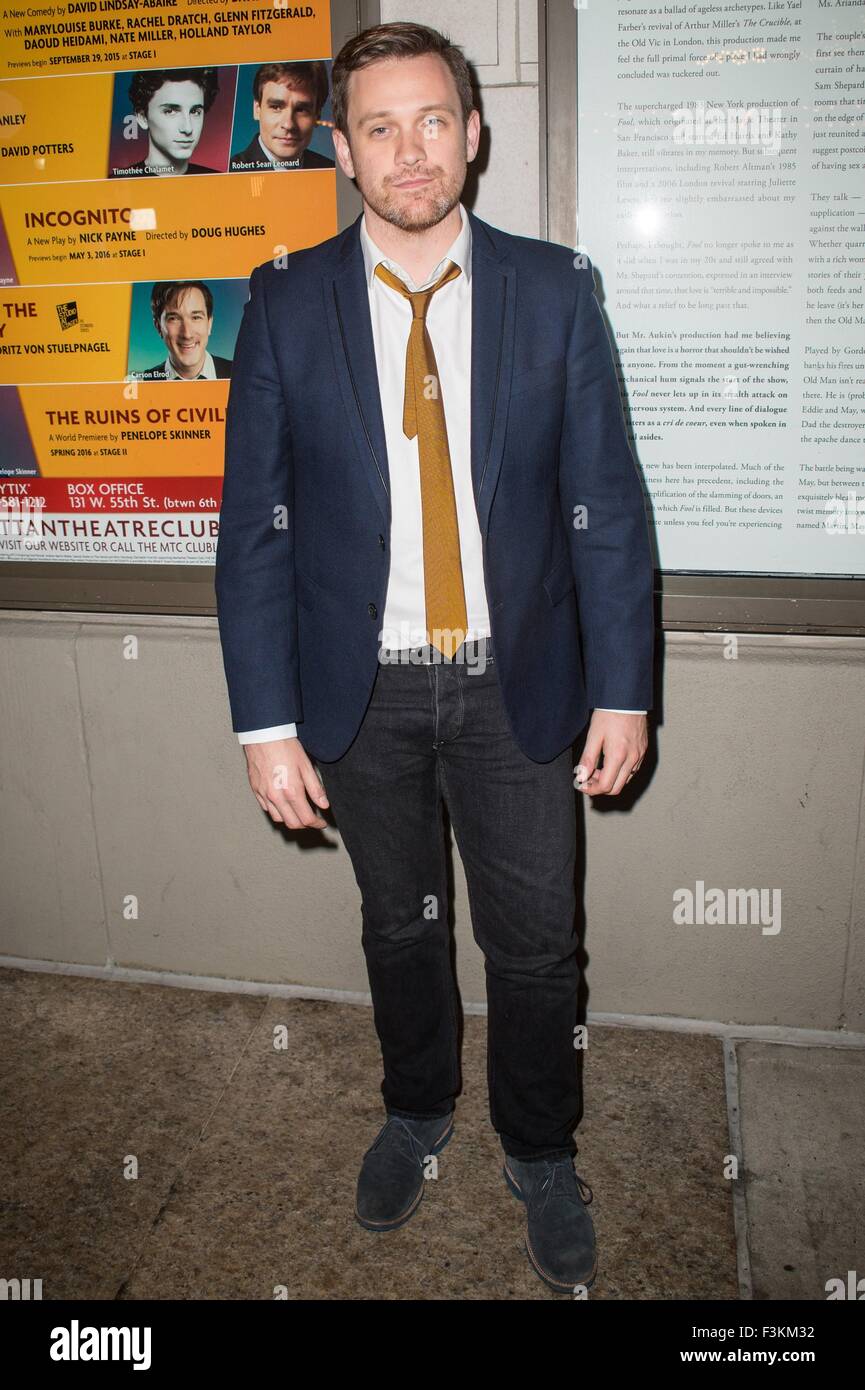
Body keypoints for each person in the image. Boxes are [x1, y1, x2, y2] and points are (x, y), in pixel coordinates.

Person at [215, 21, 654, 1296]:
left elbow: (608, 506)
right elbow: (253, 531)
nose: (411, 151)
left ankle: (541, 1145)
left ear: (472, 132)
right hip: (362, 694)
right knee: (399, 930)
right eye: (380, 127)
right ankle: (416, 1111)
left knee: (535, 947)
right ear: (341, 149)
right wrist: (264, 721)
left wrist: (623, 686)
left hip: (519, 685)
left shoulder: (555, 289)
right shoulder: (286, 299)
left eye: (433, 121)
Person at [229, 61, 336, 171]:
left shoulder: (331, 169)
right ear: (257, 110)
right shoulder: (229, 173)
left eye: (301, 110)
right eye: (276, 107)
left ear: (317, 114)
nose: (288, 125)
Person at [113, 69, 219, 177]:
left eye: (195, 112)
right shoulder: (116, 184)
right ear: (143, 118)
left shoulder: (218, 180)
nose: (188, 128)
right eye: (170, 111)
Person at [133, 281, 232, 381]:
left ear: (209, 324)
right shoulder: (141, 383)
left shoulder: (239, 373)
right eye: (174, 319)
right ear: (158, 326)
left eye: (196, 317)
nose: (187, 334)